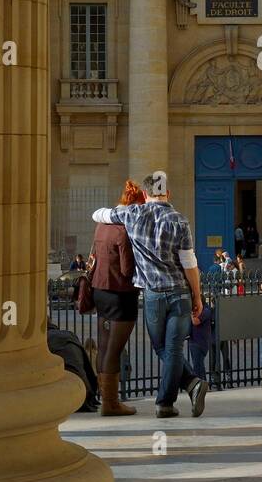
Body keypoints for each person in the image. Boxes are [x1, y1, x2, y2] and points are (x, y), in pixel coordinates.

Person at [93, 176, 207, 421]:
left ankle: (180, 393)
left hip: (154, 295)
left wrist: (120, 209)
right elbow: (190, 264)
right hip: (180, 293)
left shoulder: (133, 214)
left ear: (145, 194)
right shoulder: (180, 220)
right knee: (173, 348)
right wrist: (197, 296)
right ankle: (171, 399)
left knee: (162, 347)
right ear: (169, 193)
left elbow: (98, 214)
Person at [89, 180, 145, 416]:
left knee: (103, 346)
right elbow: (125, 269)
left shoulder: (102, 225)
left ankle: (106, 400)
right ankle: (111, 403)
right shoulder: (124, 230)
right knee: (115, 349)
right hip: (121, 295)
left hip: (100, 291)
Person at [188, 298, 214, 381]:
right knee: (199, 365)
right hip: (194, 340)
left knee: (197, 366)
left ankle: (200, 385)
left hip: (200, 342)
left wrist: (190, 313)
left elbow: (195, 321)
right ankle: (204, 384)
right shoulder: (200, 310)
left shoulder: (205, 311)